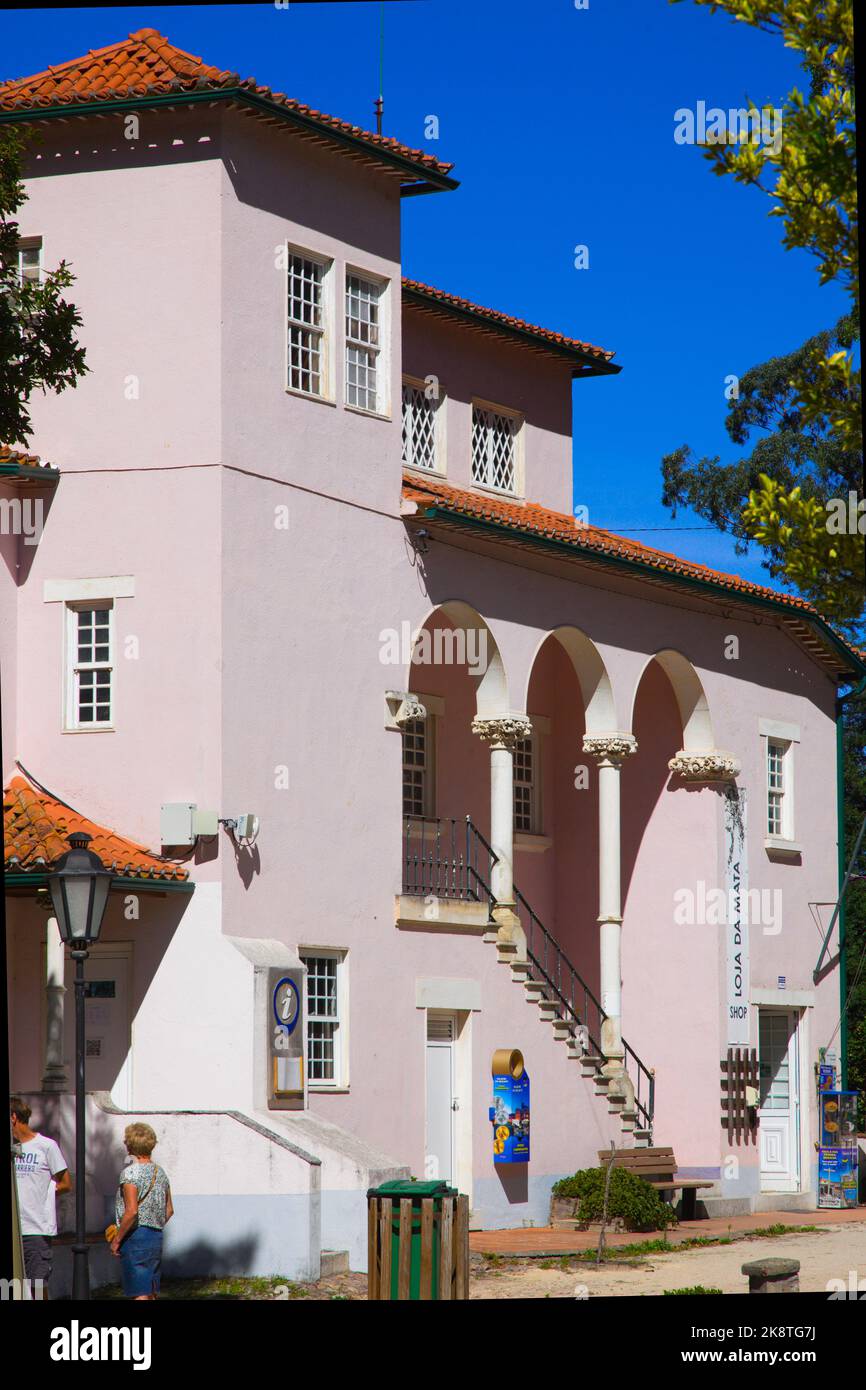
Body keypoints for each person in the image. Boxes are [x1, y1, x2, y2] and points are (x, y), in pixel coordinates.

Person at [11, 1096, 72, 1297]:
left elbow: (65, 1183)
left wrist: (44, 1190)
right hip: (13, 1230)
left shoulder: (46, 1146)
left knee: (38, 1288)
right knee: (10, 1289)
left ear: (13, 1118)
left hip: (35, 1230)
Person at [110, 1122, 173, 1300]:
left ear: (130, 1145)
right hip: (156, 1236)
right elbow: (169, 1210)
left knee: (138, 1292)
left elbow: (131, 1212)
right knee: (150, 1290)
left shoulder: (130, 1174)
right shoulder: (160, 1173)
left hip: (135, 1236)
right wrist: (154, 1223)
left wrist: (117, 1240)